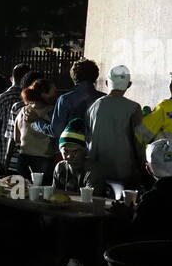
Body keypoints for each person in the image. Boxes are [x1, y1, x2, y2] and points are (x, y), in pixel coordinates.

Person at [84, 64, 143, 194]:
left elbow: (87, 137)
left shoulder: (93, 106)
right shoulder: (134, 108)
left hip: (96, 170)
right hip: (124, 171)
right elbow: (139, 142)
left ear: (106, 83)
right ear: (129, 84)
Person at [0, 63, 34, 173]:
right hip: (29, 156)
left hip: (4, 154)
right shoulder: (34, 100)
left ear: (12, 78)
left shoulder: (2, 99)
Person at [13, 78, 58, 180]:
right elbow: (56, 134)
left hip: (23, 159)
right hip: (44, 161)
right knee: (43, 193)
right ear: (43, 94)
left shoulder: (23, 111)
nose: (56, 95)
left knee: (22, 193)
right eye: (54, 92)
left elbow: (16, 138)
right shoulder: (53, 112)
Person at [49, 59, 105, 140]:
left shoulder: (65, 99)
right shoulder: (104, 98)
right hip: (98, 147)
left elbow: (57, 131)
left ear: (73, 76)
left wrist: (36, 122)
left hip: (72, 147)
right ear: (95, 76)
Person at [52, 121, 90, 193]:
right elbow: (54, 196)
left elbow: (91, 201)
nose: (69, 156)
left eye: (75, 152)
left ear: (84, 151)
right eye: (65, 151)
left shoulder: (91, 171)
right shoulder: (60, 167)